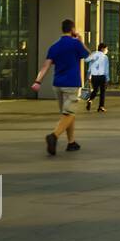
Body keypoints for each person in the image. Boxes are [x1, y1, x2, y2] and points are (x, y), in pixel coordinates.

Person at [32, 19, 89, 155]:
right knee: (69, 113)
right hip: (71, 83)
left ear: (62, 29)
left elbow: (45, 66)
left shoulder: (55, 46)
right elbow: (88, 55)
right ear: (72, 29)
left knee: (67, 114)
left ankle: (71, 142)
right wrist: (80, 40)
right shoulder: (75, 44)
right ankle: (54, 136)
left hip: (57, 84)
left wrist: (38, 81)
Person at [84, 43, 110, 112]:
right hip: (102, 76)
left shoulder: (94, 54)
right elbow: (106, 69)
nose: (107, 50)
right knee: (102, 92)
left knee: (95, 90)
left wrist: (88, 75)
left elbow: (87, 61)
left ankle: (90, 100)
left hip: (94, 76)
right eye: (106, 49)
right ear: (102, 49)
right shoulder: (105, 57)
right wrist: (107, 78)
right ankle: (101, 107)